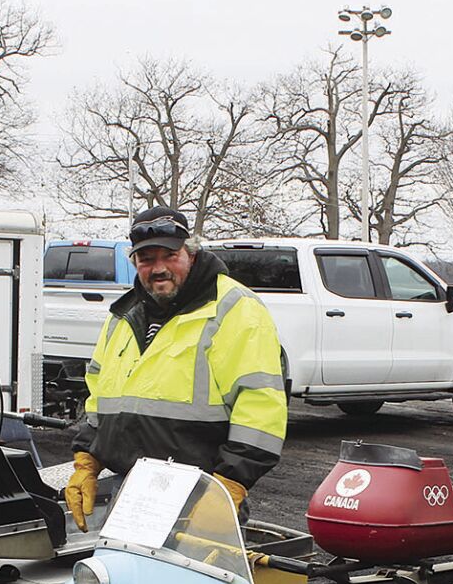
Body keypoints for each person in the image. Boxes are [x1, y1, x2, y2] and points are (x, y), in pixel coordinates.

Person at [63, 206, 288, 529]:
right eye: (147, 259)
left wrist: (229, 484)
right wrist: (87, 461)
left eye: (169, 256)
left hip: (201, 495)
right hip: (130, 494)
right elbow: (100, 395)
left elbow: (260, 406)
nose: (159, 268)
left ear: (191, 255)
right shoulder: (123, 316)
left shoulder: (234, 310)